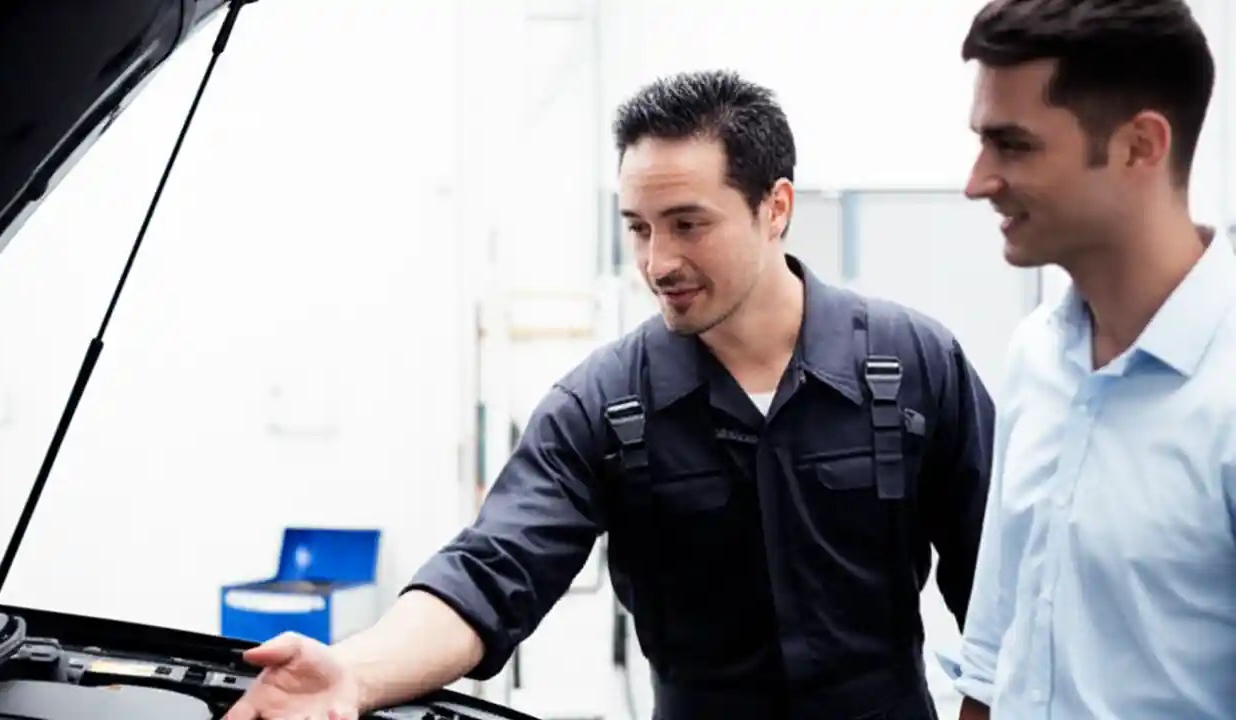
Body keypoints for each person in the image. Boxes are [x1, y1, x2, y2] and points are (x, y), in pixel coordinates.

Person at [224, 69, 994, 720]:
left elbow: (1004, 597)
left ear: (776, 208)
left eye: (689, 224)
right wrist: (356, 672)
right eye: (638, 227)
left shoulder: (913, 364)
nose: (659, 262)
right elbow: (493, 568)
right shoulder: (602, 405)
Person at [947, 2, 1235, 719]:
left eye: (1011, 146)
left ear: (1140, 145)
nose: (978, 180)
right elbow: (990, 655)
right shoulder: (1034, 355)